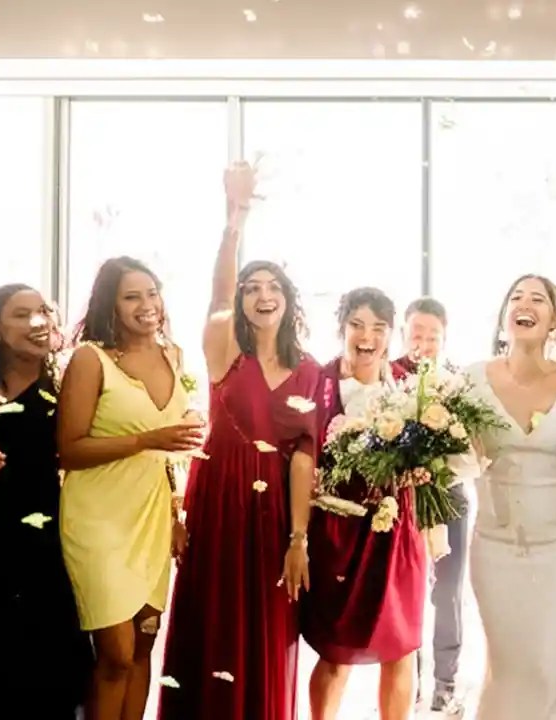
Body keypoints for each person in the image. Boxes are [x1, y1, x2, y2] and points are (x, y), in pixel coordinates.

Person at [158, 162, 321, 720]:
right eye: (253, 287)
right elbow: (219, 290)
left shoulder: (311, 371)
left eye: (273, 286)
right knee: (213, 629)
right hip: (219, 505)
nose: (261, 294)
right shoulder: (225, 351)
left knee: (271, 633)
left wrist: (297, 538)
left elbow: (305, 457)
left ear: (289, 300)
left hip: (275, 512)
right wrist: (236, 219)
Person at [58, 257, 201, 720]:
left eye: (152, 293)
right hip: (98, 516)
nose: (146, 305)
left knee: (143, 644)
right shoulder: (91, 359)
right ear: (110, 305)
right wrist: (146, 440)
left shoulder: (172, 356)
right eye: (131, 296)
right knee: (116, 651)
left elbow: (171, 452)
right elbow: (69, 450)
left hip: (152, 515)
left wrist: (177, 515)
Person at [0, 284, 92, 718]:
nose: (38, 322)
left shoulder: (64, 383)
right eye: (22, 314)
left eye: (44, 311)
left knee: (49, 662)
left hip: (48, 541)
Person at [464, 274, 556, 719]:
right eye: (517, 297)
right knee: (510, 668)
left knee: (555, 667)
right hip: (495, 546)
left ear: (555, 320)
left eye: (538, 299)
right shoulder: (470, 380)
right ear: (505, 318)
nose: (526, 304)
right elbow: (452, 458)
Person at [304, 288, 426, 720]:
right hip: (340, 530)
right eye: (357, 324)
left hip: (398, 532)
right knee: (337, 649)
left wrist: (419, 470)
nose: (366, 336)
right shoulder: (318, 382)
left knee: (402, 644)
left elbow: (429, 455)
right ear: (342, 329)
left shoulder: (409, 384)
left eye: (378, 327)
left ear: (390, 334)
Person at [393, 297, 467, 715]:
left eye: (432, 336)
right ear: (404, 334)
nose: (423, 344)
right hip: (403, 498)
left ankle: (446, 685)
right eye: (416, 334)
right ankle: (409, 686)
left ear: (445, 337)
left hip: (449, 493)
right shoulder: (390, 379)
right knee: (408, 594)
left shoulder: (456, 381)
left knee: (449, 593)